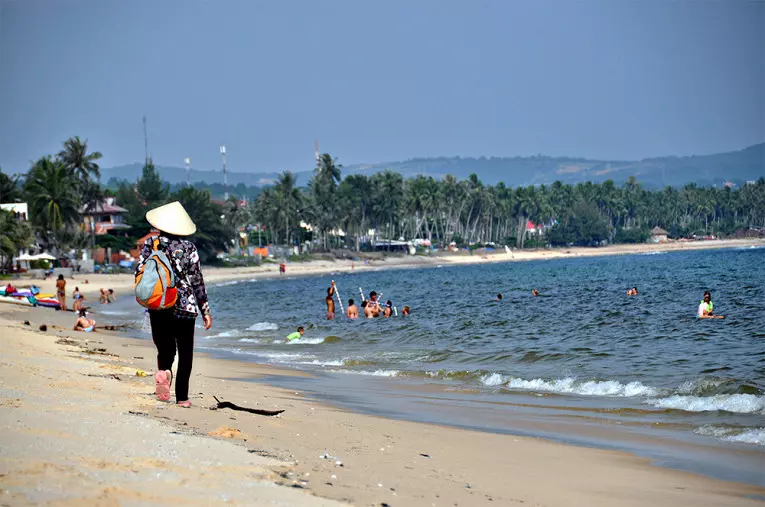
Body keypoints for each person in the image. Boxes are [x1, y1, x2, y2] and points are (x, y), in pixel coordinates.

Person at [136, 201, 212, 408]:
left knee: (165, 349)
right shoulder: (189, 248)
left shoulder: (150, 244)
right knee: (185, 352)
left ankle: (164, 373)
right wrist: (205, 310)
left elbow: (140, 272)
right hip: (185, 306)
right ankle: (182, 398)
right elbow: (197, 280)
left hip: (159, 303)